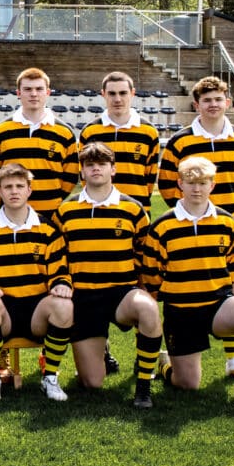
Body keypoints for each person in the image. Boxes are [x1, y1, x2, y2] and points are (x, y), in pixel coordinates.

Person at [142, 156, 234, 408]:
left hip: (216, 307)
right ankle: (166, 363)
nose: (197, 189)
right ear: (180, 184)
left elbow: (232, 268)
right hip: (181, 313)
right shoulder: (161, 226)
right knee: (187, 384)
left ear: (213, 184)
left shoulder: (228, 223)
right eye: (191, 182)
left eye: (203, 182)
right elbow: (151, 277)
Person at [157, 75, 234, 378]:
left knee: (229, 290)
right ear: (196, 104)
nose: (213, 105)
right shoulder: (181, 141)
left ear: (227, 103)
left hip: (230, 226)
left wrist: (226, 214)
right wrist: (193, 213)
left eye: (218, 99)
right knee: (186, 287)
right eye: (207, 100)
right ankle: (170, 352)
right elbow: (167, 186)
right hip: (188, 225)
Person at [51, 143, 161, 408]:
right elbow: (56, 257)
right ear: (82, 172)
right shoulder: (65, 211)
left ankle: (144, 386)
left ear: (113, 169)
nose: (96, 168)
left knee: (147, 309)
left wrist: (139, 287)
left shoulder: (134, 209)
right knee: (92, 383)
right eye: (90, 165)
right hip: (83, 298)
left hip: (120, 293)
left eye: (101, 164)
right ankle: (101, 356)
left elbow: (143, 254)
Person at [0, 163, 74, 402]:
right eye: (8, 186)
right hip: (4, 311)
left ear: (30, 190)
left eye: (20, 186)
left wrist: (62, 283)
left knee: (63, 304)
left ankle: (50, 377)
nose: (14, 191)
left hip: (36, 312)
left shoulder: (48, 230)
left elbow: (59, 269)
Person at [0, 67, 79, 220]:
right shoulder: (0, 131)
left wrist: (53, 199)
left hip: (51, 214)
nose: (34, 94)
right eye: (28, 89)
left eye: (39, 89)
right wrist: (8, 202)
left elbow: (70, 177)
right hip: (11, 215)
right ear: (18, 93)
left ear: (48, 92)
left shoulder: (64, 132)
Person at [78, 71, 160, 209]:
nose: (117, 99)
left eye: (123, 93)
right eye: (112, 93)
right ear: (103, 94)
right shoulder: (90, 132)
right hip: (99, 209)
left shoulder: (149, 132)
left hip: (137, 210)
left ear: (132, 93)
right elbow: (85, 174)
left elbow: (150, 178)